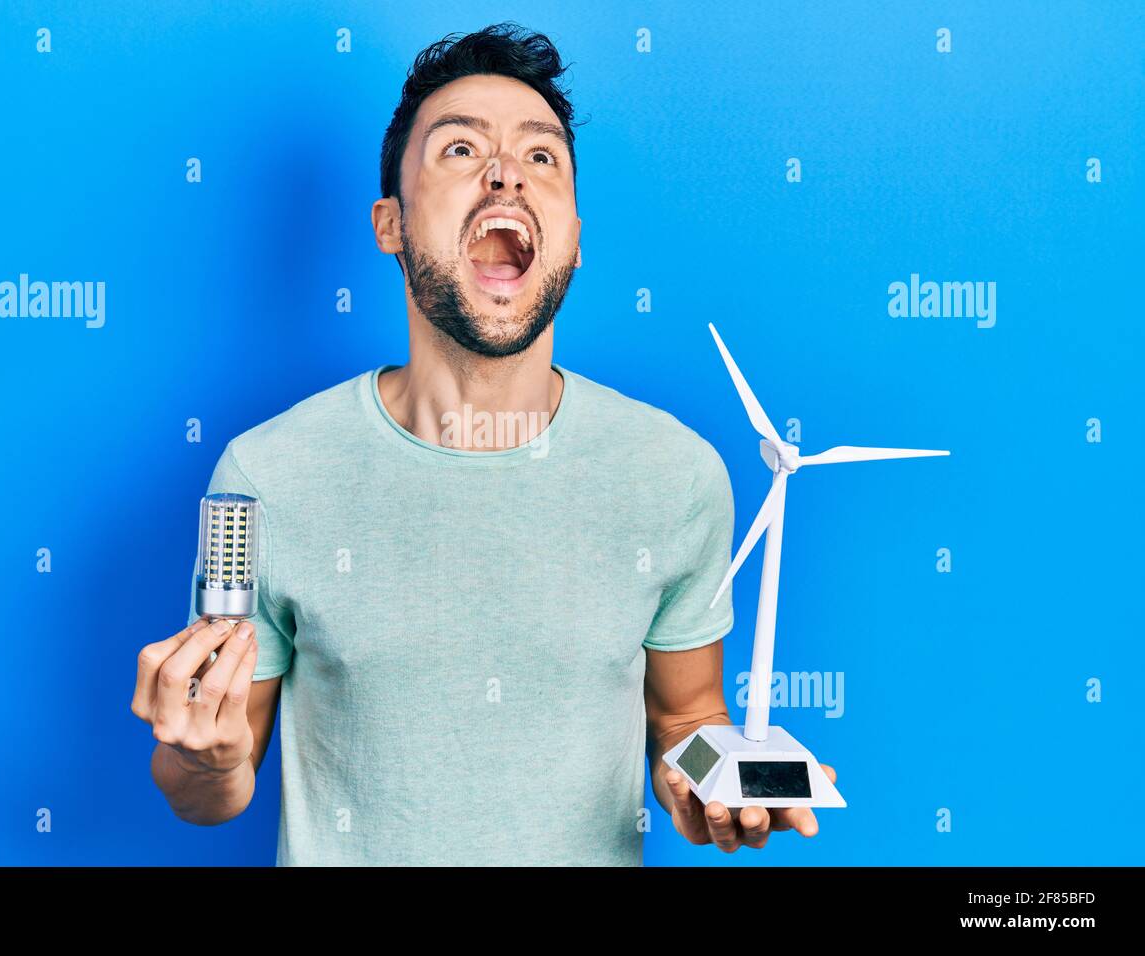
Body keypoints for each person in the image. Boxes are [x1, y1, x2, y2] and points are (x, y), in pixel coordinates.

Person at [130, 21, 835, 865]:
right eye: (460, 150)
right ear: (388, 224)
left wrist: (706, 786)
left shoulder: (674, 474)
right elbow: (213, 788)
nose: (505, 172)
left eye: (542, 157)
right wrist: (197, 755)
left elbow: (686, 717)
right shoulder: (268, 474)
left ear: (573, 238)